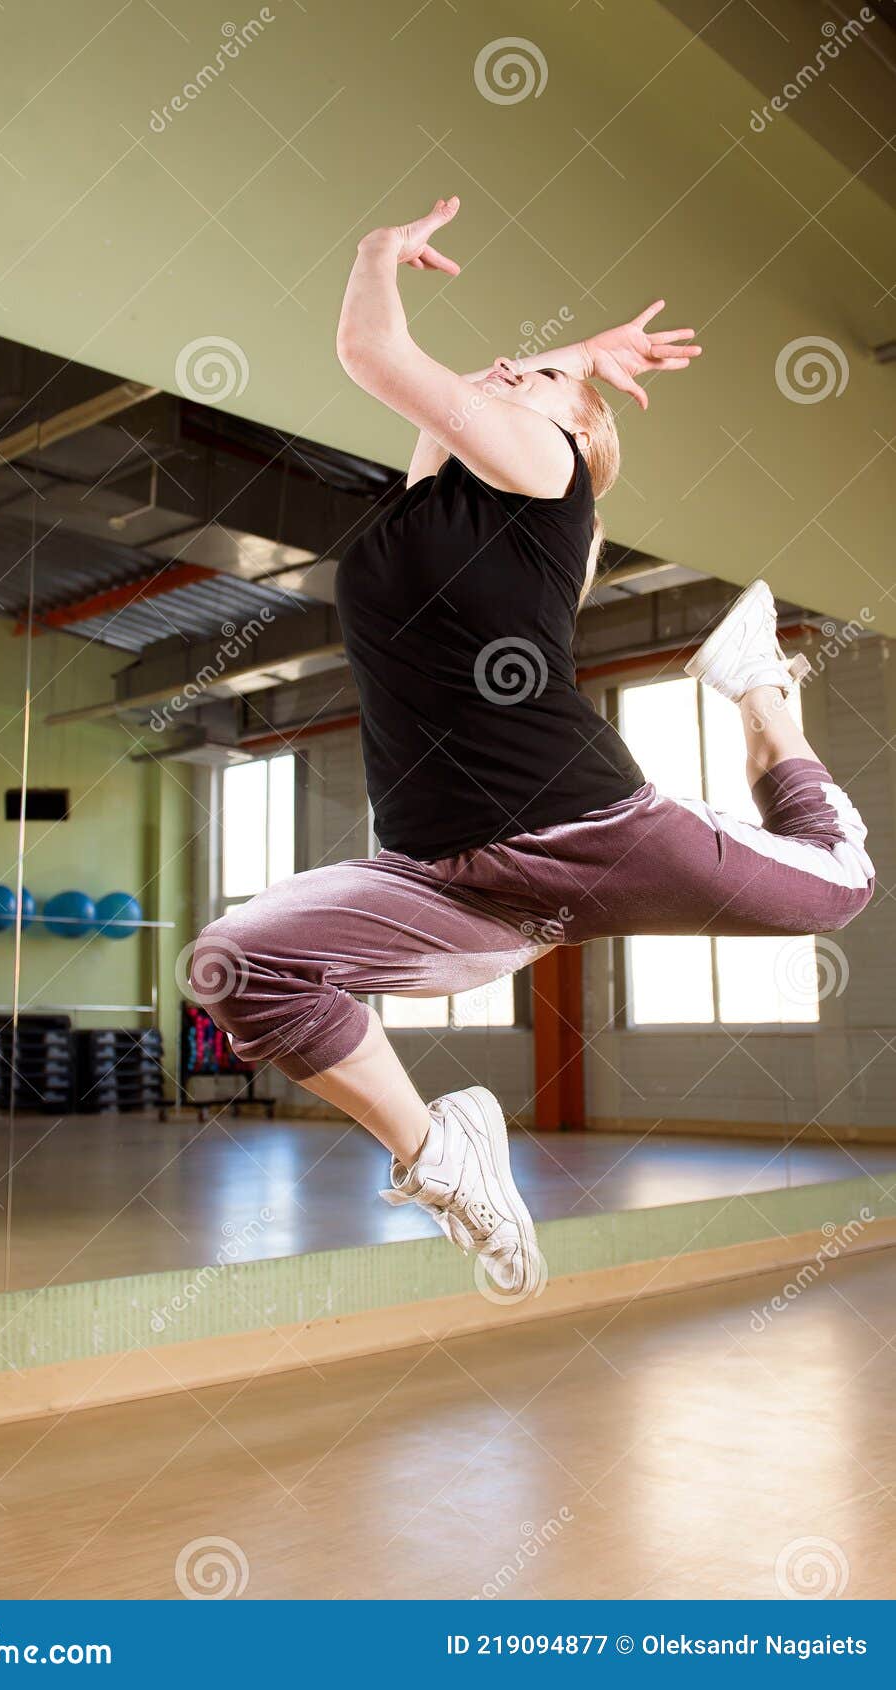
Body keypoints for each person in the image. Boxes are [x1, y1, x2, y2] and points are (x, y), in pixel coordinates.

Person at [190, 198, 873, 1297]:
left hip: (584, 829)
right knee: (235, 965)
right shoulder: (425, 508)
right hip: (441, 870)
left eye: (544, 382)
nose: (510, 367)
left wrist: (374, 251)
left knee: (841, 884)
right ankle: (441, 1155)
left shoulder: (552, 471)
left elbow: (375, 348)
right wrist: (578, 355)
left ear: (578, 434)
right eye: (513, 368)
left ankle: (757, 686)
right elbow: (461, 396)